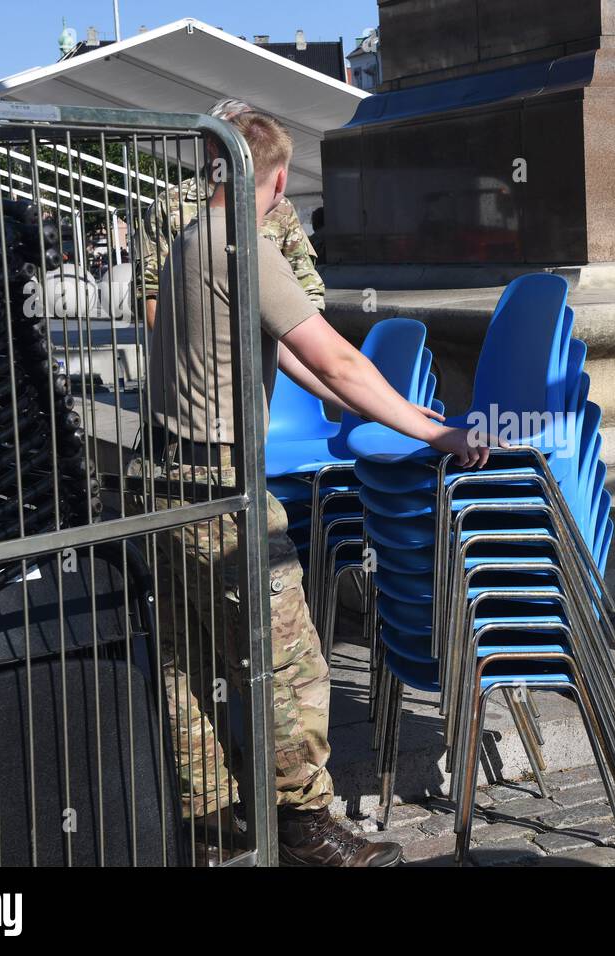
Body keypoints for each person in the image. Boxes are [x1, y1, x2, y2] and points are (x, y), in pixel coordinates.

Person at [134, 107, 488, 866]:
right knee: (288, 666)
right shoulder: (247, 247)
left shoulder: (193, 239)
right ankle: (306, 833)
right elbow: (337, 362)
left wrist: (366, 403)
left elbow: (285, 350)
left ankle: (216, 825)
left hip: (165, 482)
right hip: (222, 487)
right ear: (280, 177)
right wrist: (438, 433)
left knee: (194, 662)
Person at [138, 98, 325, 330]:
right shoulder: (170, 206)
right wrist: (174, 357)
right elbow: (151, 291)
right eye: (237, 137)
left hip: (271, 347)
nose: (248, 147)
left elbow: (306, 282)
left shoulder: (280, 206)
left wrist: (301, 345)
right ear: (212, 144)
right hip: (199, 350)